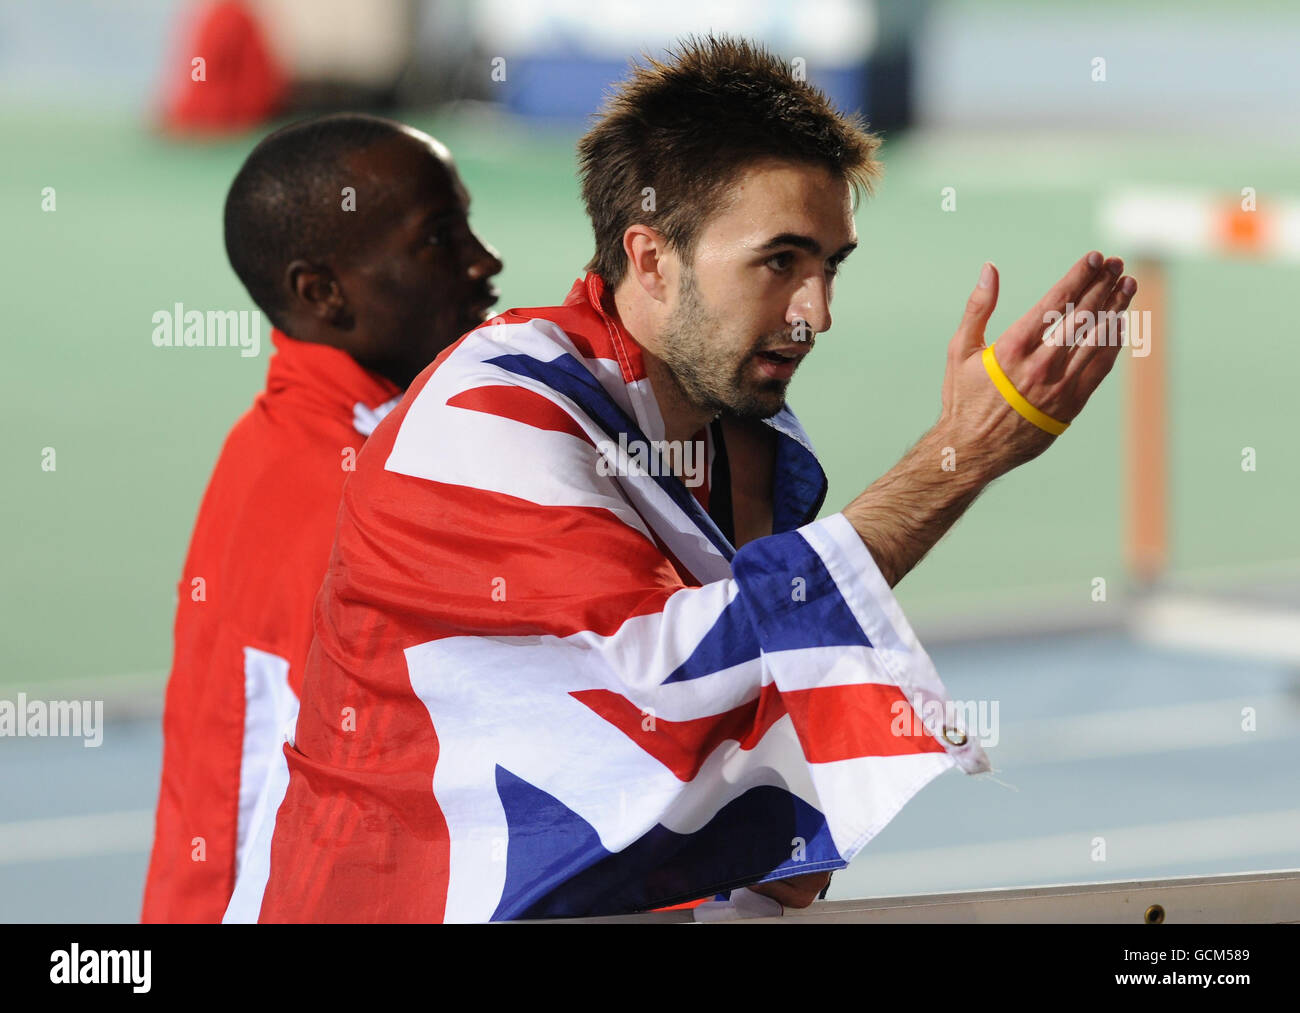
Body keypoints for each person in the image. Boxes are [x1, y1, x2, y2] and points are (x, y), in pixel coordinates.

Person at [225, 37, 1136, 923]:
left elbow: (758, 830)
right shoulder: (491, 406)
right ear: (652, 258)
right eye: (780, 262)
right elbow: (672, 680)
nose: (818, 312)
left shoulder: (743, 443)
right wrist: (960, 457)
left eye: (831, 266)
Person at [142, 113, 504, 922]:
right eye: (440, 239)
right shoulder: (343, 498)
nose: (486, 261)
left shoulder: (317, 443)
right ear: (321, 292)